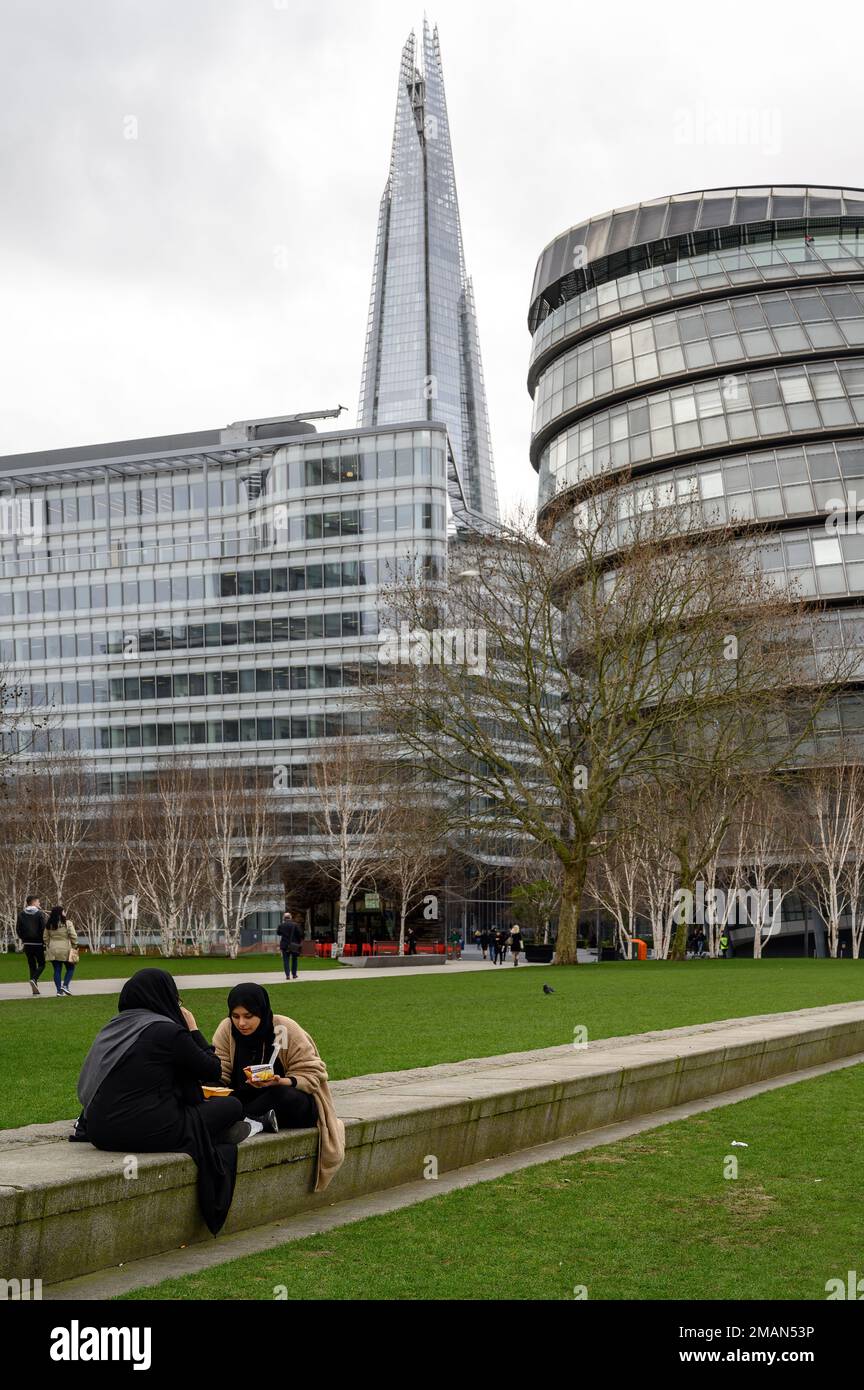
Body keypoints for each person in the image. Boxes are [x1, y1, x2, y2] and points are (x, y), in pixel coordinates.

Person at [75, 969, 260, 1235]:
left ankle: (212, 1130)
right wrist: (193, 1028)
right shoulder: (168, 1032)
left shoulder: (114, 1028)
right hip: (149, 1130)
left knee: (189, 1105)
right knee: (232, 1106)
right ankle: (216, 1132)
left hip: (99, 1131)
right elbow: (212, 1069)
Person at [213, 984, 345, 1192]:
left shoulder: (283, 1028)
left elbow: (314, 1074)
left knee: (282, 1095)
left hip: (288, 1100)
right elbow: (221, 1070)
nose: (241, 1023)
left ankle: (247, 1120)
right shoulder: (226, 1029)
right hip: (246, 1098)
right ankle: (257, 1120)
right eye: (235, 1016)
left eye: (248, 1016)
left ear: (262, 1012)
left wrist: (281, 1080)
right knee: (221, 1100)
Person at [45, 905, 79, 996]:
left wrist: (50, 945)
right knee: (71, 968)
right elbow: (73, 936)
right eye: (64, 911)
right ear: (61, 913)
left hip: (53, 949)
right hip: (65, 949)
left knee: (57, 970)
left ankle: (59, 991)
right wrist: (75, 945)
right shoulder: (67, 923)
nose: (65, 913)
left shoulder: (49, 924)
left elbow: (45, 938)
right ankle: (65, 986)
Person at [16, 895, 47, 996]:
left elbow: (18, 929)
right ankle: (34, 979)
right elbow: (43, 928)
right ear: (33, 902)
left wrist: (24, 938)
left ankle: (34, 988)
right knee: (42, 964)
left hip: (27, 944)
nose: (39, 904)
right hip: (38, 943)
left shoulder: (21, 914)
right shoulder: (39, 914)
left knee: (32, 965)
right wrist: (44, 941)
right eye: (38, 902)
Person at [278, 910, 304, 981]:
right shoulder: (295, 925)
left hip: (284, 945)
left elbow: (279, 933)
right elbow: (299, 934)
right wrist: (298, 942)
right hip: (294, 945)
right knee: (294, 960)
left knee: (286, 960)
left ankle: (287, 975)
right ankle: (294, 974)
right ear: (290, 917)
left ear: (284, 918)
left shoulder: (281, 925)